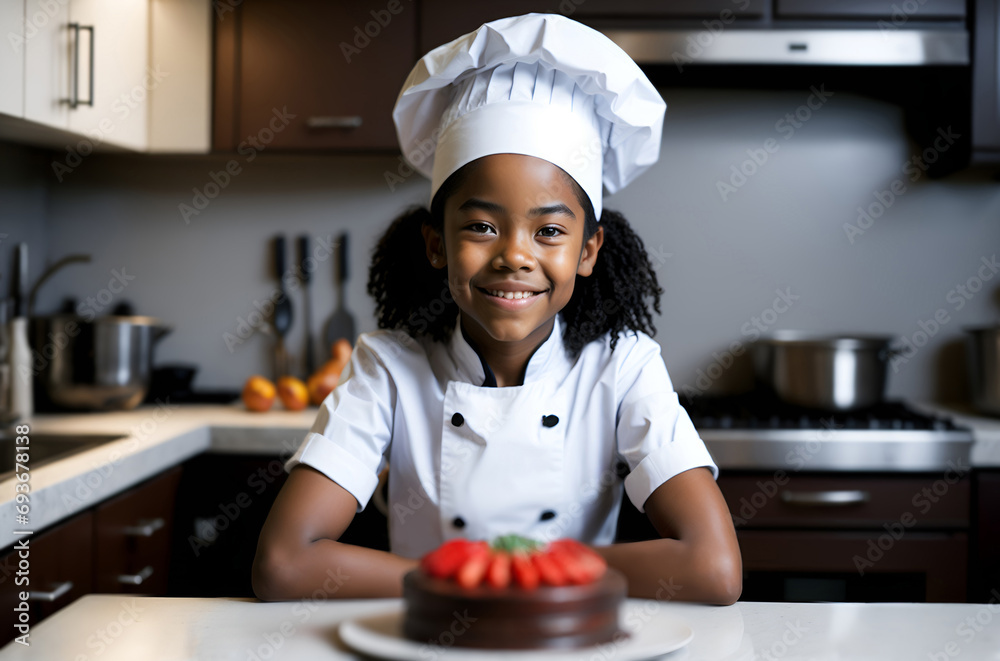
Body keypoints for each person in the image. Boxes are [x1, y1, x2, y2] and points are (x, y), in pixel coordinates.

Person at [253, 13, 741, 604]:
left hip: (571, 646)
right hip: (432, 644)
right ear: (436, 244)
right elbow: (283, 564)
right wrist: (469, 577)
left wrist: (515, 571)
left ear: (588, 250)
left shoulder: (623, 367)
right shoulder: (388, 368)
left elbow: (714, 570)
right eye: (482, 226)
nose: (514, 256)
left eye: (549, 231)